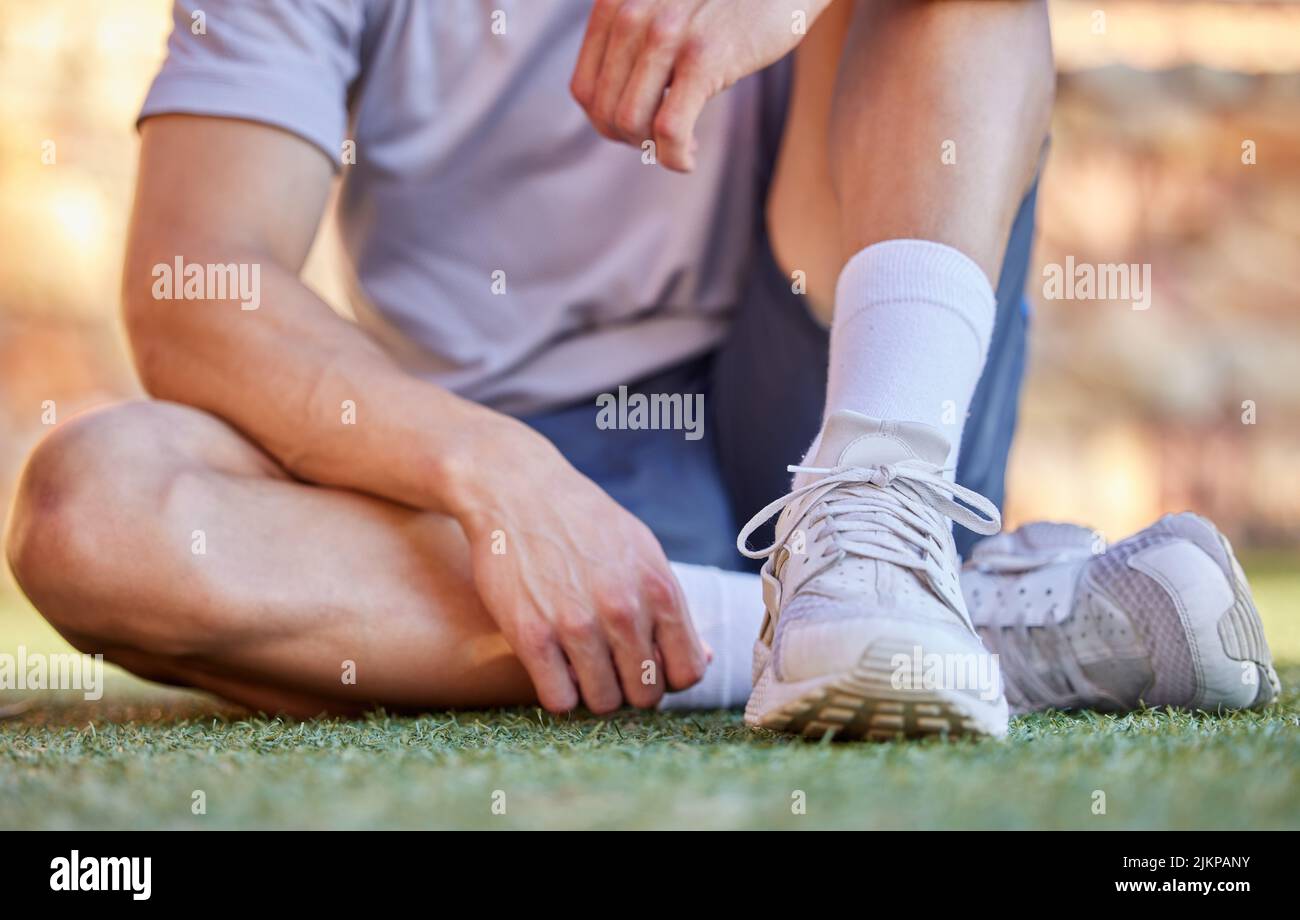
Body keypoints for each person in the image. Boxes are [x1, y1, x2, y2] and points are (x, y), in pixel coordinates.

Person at [4, 1, 1276, 740]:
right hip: (512, 494)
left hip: (822, 395)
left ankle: (872, 548)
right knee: (92, 508)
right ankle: (937, 632)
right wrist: (492, 471)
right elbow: (197, 282)